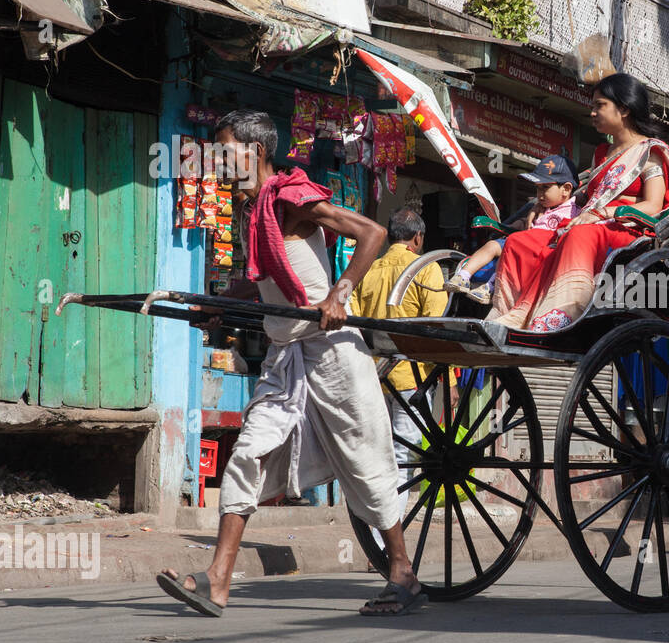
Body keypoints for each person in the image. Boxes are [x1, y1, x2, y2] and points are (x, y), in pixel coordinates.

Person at [156, 110, 423, 617]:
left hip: (335, 355)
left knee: (365, 464)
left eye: (225, 150)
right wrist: (219, 303)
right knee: (247, 455)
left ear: (255, 153)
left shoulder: (289, 197)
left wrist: (340, 292)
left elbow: (370, 231)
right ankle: (217, 580)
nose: (217, 161)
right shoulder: (251, 209)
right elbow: (264, 282)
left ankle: (403, 574)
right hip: (286, 359)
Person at [488, 73, 669, 332]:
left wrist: (602, 213)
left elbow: (653, 206)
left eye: (599, 105)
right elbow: (585, 194)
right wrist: (540, 206)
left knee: (577, 234)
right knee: (519, 241)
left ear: (623, 108)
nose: (592, 113)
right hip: (590, 224)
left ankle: (561, 314)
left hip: (626, 229)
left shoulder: (651, 152)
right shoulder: (603, 152)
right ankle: (513, 312)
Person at [349, 208, 448, 496]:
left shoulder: (367, 269)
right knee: (402, 458)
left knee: (378, 454)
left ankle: (379, 526)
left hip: (373, 377)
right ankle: (387, 535)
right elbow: (438, 330)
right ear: (417, 238)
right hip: (411, 380)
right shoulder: (425, 268)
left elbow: (354, 323)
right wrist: (449, 381)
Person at [445, 155, 580, 305]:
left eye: (545, 188)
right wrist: (520, 223)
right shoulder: (541, 209)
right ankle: (463, 277)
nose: (539, 194)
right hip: (520, 244)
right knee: (493, 245)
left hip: (538, 255)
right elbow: (529, 226)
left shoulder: (573, 213)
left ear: (566, 189)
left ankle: (490, 287)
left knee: (511, 249)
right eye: (537, 188)